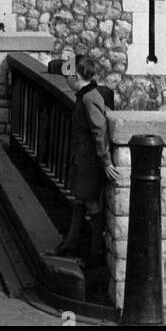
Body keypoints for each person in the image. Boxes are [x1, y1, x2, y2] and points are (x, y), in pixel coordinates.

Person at [57, 52, 118, 260]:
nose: (66, 79)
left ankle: (95, 250)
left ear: (76, 76)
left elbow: (99, 131)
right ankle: (70, 245)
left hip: (89, 161)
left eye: (68, 75)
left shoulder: (89, 99)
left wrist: (106, 161)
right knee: (81, 200)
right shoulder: (86, 96)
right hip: (83, 159)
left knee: (90, 202)